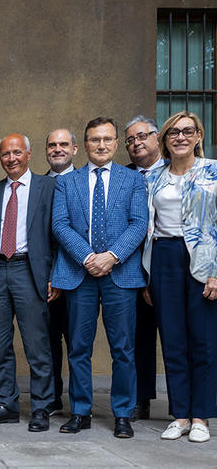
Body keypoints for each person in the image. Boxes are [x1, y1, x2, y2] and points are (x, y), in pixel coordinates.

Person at [51, 117, 148, 438]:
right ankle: (81, 411)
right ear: (84, 145)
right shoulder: (68, 182)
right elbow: (60, 224)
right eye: (95, 139)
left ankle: (122, 413)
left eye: (107, 139)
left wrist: (112, 256)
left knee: (123, 348)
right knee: (79, 348)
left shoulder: (132, 180)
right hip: (81, 274)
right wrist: (88, 257)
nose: (101, 145)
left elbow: (139, 223)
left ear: (117, 143)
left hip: (121, 273)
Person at [0, 133, 58, 432]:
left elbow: (57, 235)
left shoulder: (48, 187)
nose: (11, 158)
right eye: (6, 154)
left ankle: (41, 407)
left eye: (17, 152)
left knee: (37, 345)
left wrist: (54, 276)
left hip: (30, 271)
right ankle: (7, 404)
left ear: (29, 154)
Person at [143, 111, 217, 443]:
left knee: (203, 341)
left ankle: (201, 416)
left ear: (199, 135)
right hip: (164, 257)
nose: (180, 137)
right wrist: (147, 276)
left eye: (188, 131)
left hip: (203, 259)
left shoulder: (213, 171)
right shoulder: (154, 177)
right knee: (172, 339)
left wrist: (216, 272)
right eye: (173, 132)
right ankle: (181, 415)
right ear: (165, 139)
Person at [123, 115, 167, 421]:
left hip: (170, 262)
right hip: (132, 265)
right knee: (138, 336)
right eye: (130, 140)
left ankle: (188, 402)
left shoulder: (176, 170)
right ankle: (141, 398)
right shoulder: (122, 176)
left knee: (178, 334)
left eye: (142, 136)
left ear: (157, 136)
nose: (136, 143)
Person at [44, 128, 78, 415]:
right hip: (46, 280)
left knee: (78, 344)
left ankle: (80, 403)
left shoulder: (86, 181)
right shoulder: (39, 185)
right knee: (49, 342)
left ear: (75, 149)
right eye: (52, 145)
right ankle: (52, 398)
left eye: (63, 144)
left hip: (80, 276)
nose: (58, 149)